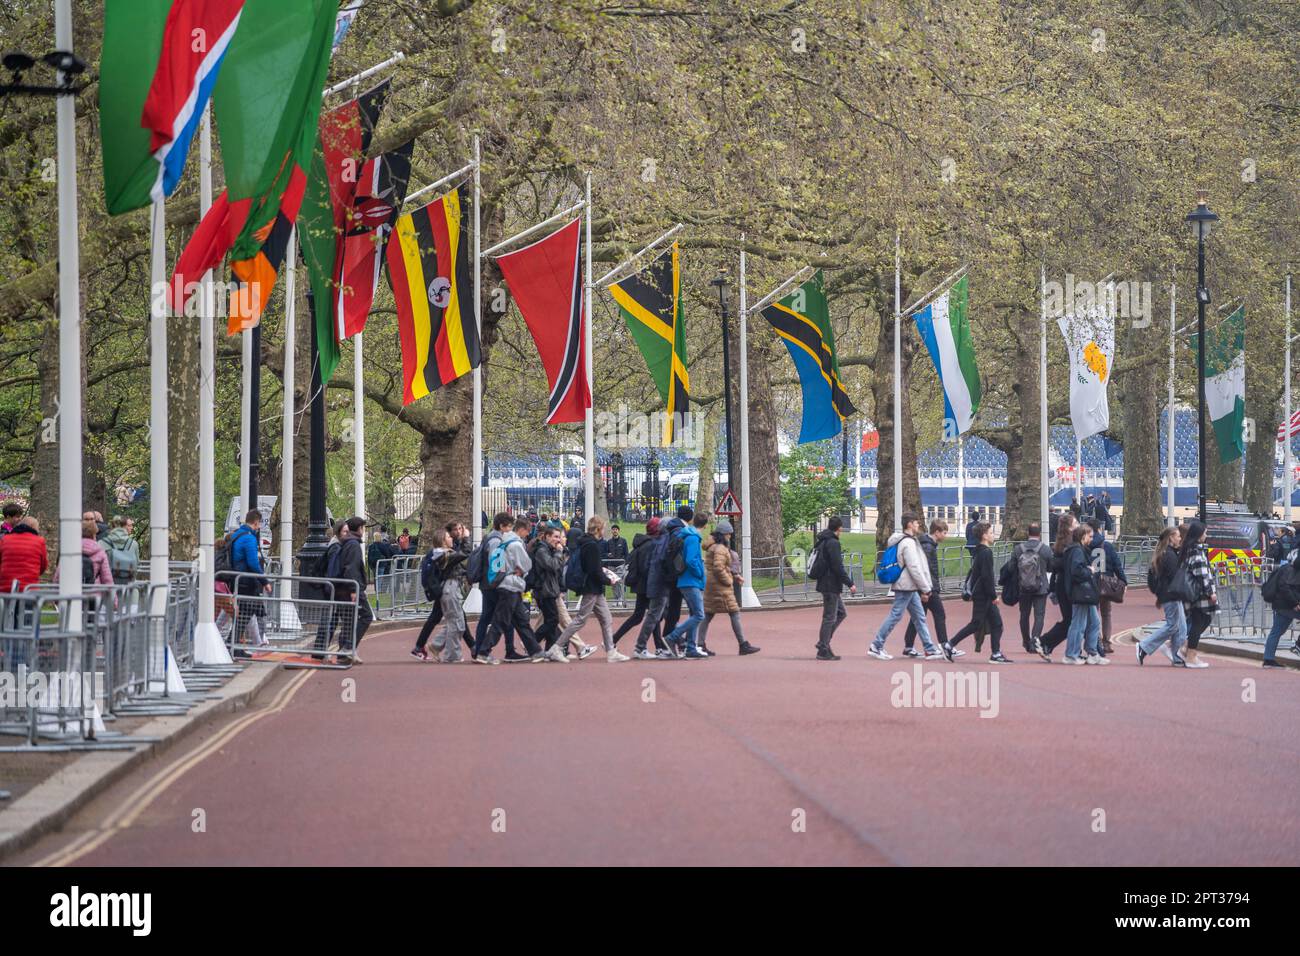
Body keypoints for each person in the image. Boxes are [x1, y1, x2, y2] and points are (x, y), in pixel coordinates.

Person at [547, 515, 628, 662]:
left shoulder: (586, 543)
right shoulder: (592, 546)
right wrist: (608, 580)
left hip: (594, 588)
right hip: (591, 588)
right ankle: (556, 647)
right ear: (598, 529)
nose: (604, 531)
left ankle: (611, 651)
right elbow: (593, 570)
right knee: (580, 619)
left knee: (606, 618)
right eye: (603, 528)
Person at [869, 512, 941, 660]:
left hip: (909, 585)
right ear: (909, 524)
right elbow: (914, 567)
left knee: (919, 616)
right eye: (916, 523)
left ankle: (929, 648)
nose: (918, 525)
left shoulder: (907, 541)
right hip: (905, 585)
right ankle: (876, 645)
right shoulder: (908, 543)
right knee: (896, 615)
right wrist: (926, 587)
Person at [477, 518, 546, 664]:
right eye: (527, 532)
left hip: (505, 584)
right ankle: (483, 651)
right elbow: (526, 564)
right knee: (501, 621)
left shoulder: (502, 541)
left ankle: (536, 651)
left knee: (521, 620)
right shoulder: (516, 544)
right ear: (522, 530)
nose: (527, 535)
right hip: (512, 585)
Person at [943, 520, 1011, 662]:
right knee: (976, 623)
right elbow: (987, 577)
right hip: (983, 595)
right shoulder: (986, 553)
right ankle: (949, 645)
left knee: (997, 623)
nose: (993, 535)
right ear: (984, 536)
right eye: (991, 533)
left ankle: (996, 653)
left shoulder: (979, 551)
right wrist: (993, 596)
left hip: (981, 594)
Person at [698, 519, 760, 656]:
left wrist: (734, 576)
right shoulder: (720, 548)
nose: (730, 536)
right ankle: (743, 644)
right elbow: (719, 567)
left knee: (708, 614)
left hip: (712, 585)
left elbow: (720, 566)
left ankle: (700, 644)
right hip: (720, 587)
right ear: (724, 534)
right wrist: (728, 580)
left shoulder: (712, 547)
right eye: (728, 534)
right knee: (734, 612)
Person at [610, 517, 668, 658]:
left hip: (641, 585)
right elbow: (646, 567)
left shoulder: (642, 543)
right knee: (652, 615)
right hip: (646, 585)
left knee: (644, 616)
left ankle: (613, 640)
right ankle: (654, 646)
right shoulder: (651, 545)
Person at [411, 529, 469, 661]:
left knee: (452, 620)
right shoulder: (442, 554)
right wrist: (466, 538)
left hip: (443, 590)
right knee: (457, 621)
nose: (452, 538)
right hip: (446, 590)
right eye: (449, 536)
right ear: (443, 540)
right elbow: (465, 553)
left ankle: (433, 646)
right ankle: (454, 653)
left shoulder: (440, 553)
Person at [904, 518, 957, 657]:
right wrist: (925, 590)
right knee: (939, 614)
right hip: (928, 587)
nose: (946, 536)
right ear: (937, 532)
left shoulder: (928, 545)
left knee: (918, 616)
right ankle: (945, 644)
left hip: (927, 586)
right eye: (944, 533)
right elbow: (924, 570)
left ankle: (908, 645)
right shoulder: (928, 547)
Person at [660, 507, 708, 659]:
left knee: (695, 613)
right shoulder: (693, 538)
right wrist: (700, 573)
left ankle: (690, 647)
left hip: (685, 580)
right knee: (699, 614)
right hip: (690, 580)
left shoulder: (686, 535)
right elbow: (691, 560)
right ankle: (672, 637)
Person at [1137, 526, 1187, 666]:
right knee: (1173, 626)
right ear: (1171, 537)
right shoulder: (1169, 555)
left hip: (1170, 595)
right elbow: (1173, 577)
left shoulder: (1168, 553)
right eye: (1177, 536)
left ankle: (1177, 657)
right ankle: (1144, 646)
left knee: (1180, 628)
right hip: (1171, 595)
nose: (1180, 538)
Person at [1036, 511, 1078, 661]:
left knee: (1071, 620)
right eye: (1075, 523)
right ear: (1069, 528)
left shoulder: (1062, 543)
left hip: (1062, 586)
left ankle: (1047, 644)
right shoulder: (1070, 545)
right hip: (1066, 587)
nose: (1078, 525)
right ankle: (1044, 641)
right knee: (1072, 621)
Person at [813, 515, 856, 660]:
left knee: (841, 613)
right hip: (830, 584)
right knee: (829, 617)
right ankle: (823, 648)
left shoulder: (822, 541)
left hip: (827, 583)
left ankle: (823, 642)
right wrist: (850, 583)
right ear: (839, 528)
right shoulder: (833, 543)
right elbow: (837, 566)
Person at [1063, 523, 1106, 665]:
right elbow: (1076, 571)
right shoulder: (1077, 551)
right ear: (1083, 536)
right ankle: (1071, 654)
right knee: (1079, 624)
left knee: (1094, 622)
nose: (1092, 539)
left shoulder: (1078, 550)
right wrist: (1090, 571)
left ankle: (1091, 652)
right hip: (1081, 593)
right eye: (1090, 536)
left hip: (1084, 593)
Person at [471, 513, 513, 659]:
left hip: (487, 583)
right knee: (500, 617)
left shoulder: (489, 537)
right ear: (502, 526)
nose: (510, 530)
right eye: (508, 527)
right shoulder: (496, 540)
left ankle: (480, 648)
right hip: (493, 584)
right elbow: (496, 564)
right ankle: (485, 649)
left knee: (488, 617)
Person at [228, 510, 270, 653]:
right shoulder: (249, 538)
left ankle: (234, 645)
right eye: (259, 524)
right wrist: (265, 581)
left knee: (246, 614)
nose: (259, 528)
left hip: (238, 580)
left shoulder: (236, 535)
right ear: (256, 522)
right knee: (247, 614)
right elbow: (253, 563)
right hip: (247, 581)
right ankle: (231, 645)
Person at [1179, 520, 1215, 669]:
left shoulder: (1190, 549)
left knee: (1201, 621)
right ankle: (1191, 655)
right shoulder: (1196, 552)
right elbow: (1202, 575)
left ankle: (1186, 649)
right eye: (1205, 532)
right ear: (1199, 534)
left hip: (1194, 593)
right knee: (1201, 621)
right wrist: (1210, 592)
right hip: (1200, 594)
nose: (1206, 535)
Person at [1012, 522, 1053, 654]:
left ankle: (1025, 641)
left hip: (1023, 587)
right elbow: (1052, 567)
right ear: (1039, 534)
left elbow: (1012, 567)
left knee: (1024, 615)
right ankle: (1034, 642)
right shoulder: (1045, 549)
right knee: (1039, 615)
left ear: (1028, 533)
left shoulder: (1019, 549)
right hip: (1040, 587)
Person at [336, 516, 373, 659]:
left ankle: (343, 652)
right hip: (353, 588)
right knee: (366, 616)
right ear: (359, 528)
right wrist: (353, 590)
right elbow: (351, 569)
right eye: (363, 527)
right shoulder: (353, 545)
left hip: (347, 587)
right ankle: (348, 647)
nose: (364, 531)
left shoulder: (348, 543)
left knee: (349, 620)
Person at [527, 525, 566, 650]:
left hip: (550, 590)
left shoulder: (550, 550)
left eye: (559, 537)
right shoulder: (542, 550)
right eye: (555, 537)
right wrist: (559, 552)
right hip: (544, 591)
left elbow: (558, 569)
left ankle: (550, 650)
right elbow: (552, 565)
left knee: (551, 622)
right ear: (547, 536)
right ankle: (531, 644)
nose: (558, 540)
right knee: (553, 620)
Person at [53, 516, 113, 587]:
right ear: (94, 534)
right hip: (93, 593)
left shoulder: (69, 550)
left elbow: (58, 576)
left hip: (70, 592)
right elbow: (107, 579)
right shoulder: (100, 552)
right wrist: (113, 597)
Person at [101, 515, 140, 584]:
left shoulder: (101, 543)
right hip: (128, 588)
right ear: (124, 526)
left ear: (112, 527)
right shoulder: (134, 544)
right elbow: (136, 566)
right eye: (129, 525)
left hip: (106, 588)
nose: (131, 528)